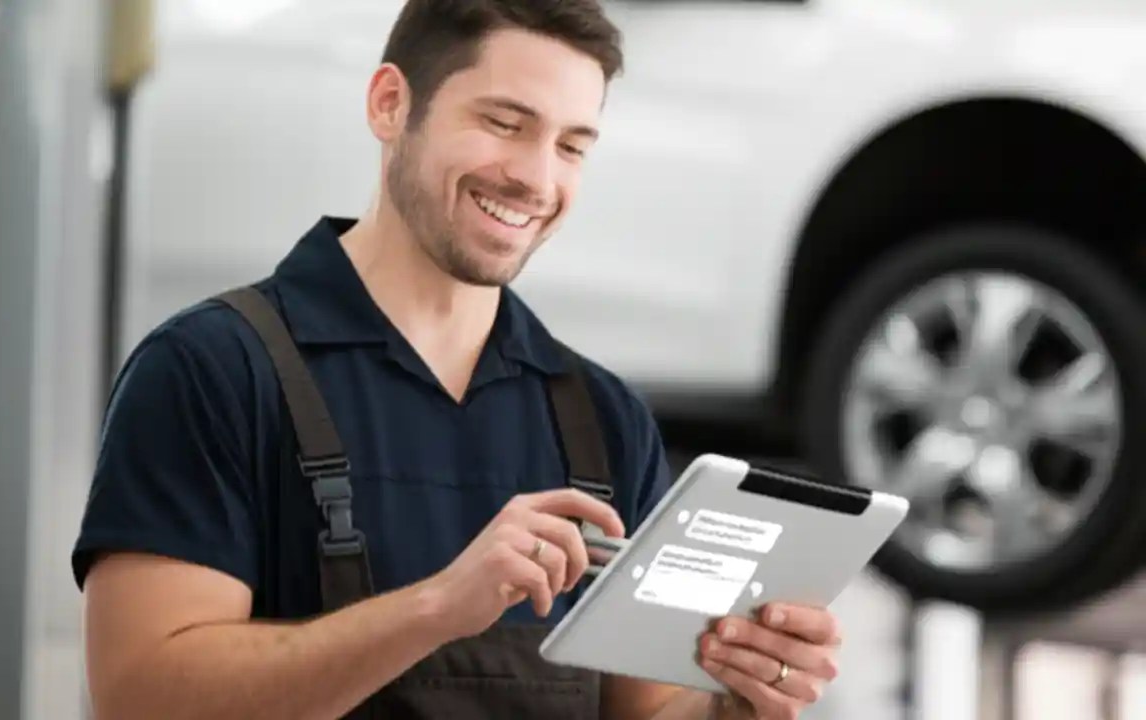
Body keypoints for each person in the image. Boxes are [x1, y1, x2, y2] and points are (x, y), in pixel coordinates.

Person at [71, 1, 844, 718]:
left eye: (572, 145)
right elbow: (140, 695)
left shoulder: (605, 421)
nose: (537, 178)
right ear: (389, 104)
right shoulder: (212, 372)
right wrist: (439, 607)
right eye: (505, 123)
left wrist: (736, 703)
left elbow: (641, 711)